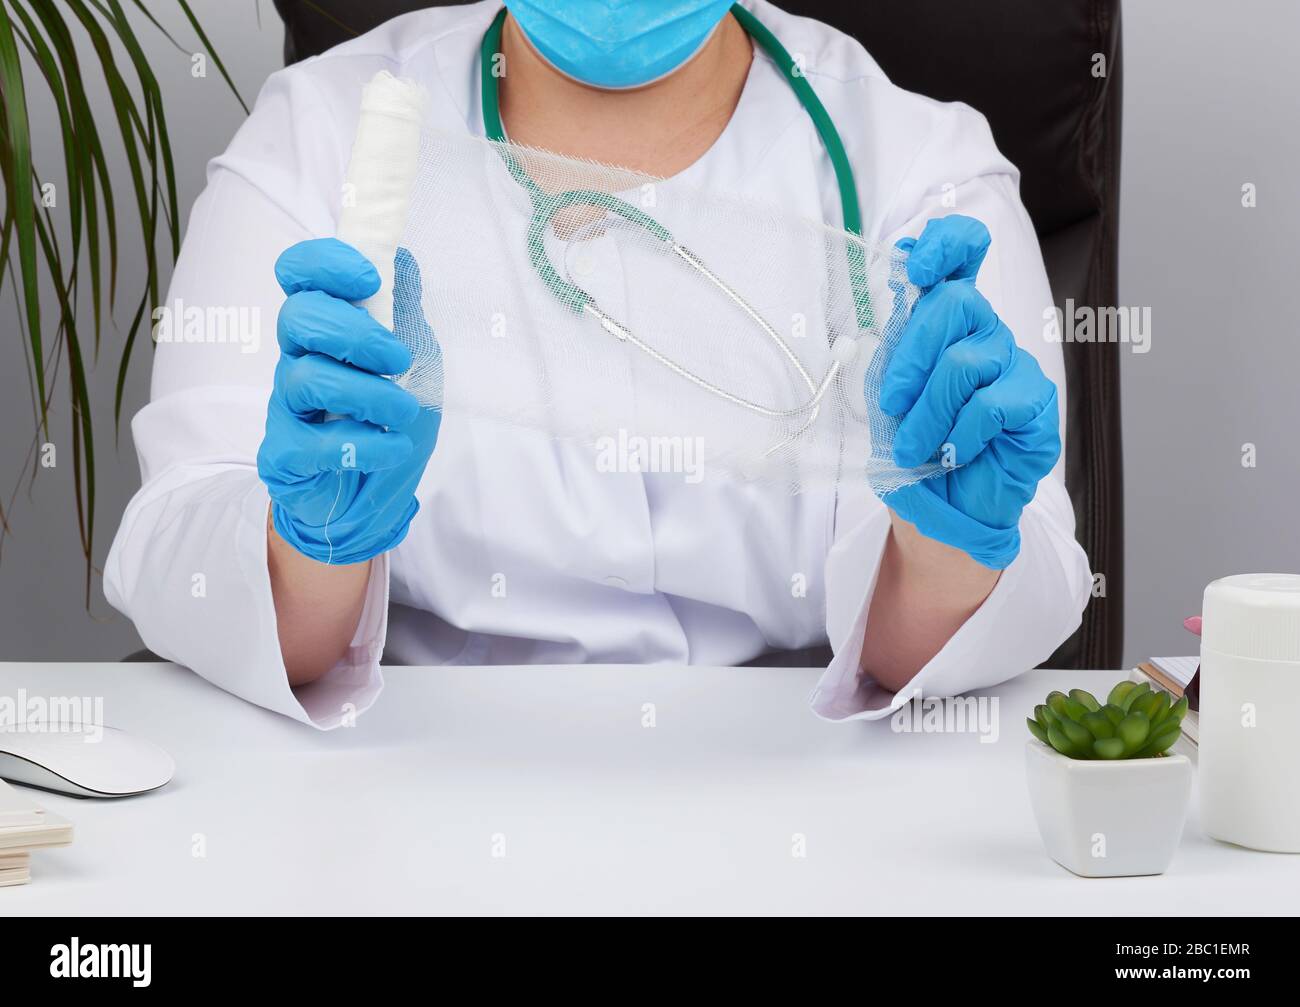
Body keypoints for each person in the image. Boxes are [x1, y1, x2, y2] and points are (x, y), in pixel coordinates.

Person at [105, 0, 1091, 728]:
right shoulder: (322, 135)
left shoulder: (920, 167)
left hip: (796, 783)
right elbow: (178, 555)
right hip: (411, 775)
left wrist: (951, 537)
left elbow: (995, 601)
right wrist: (308, 547)